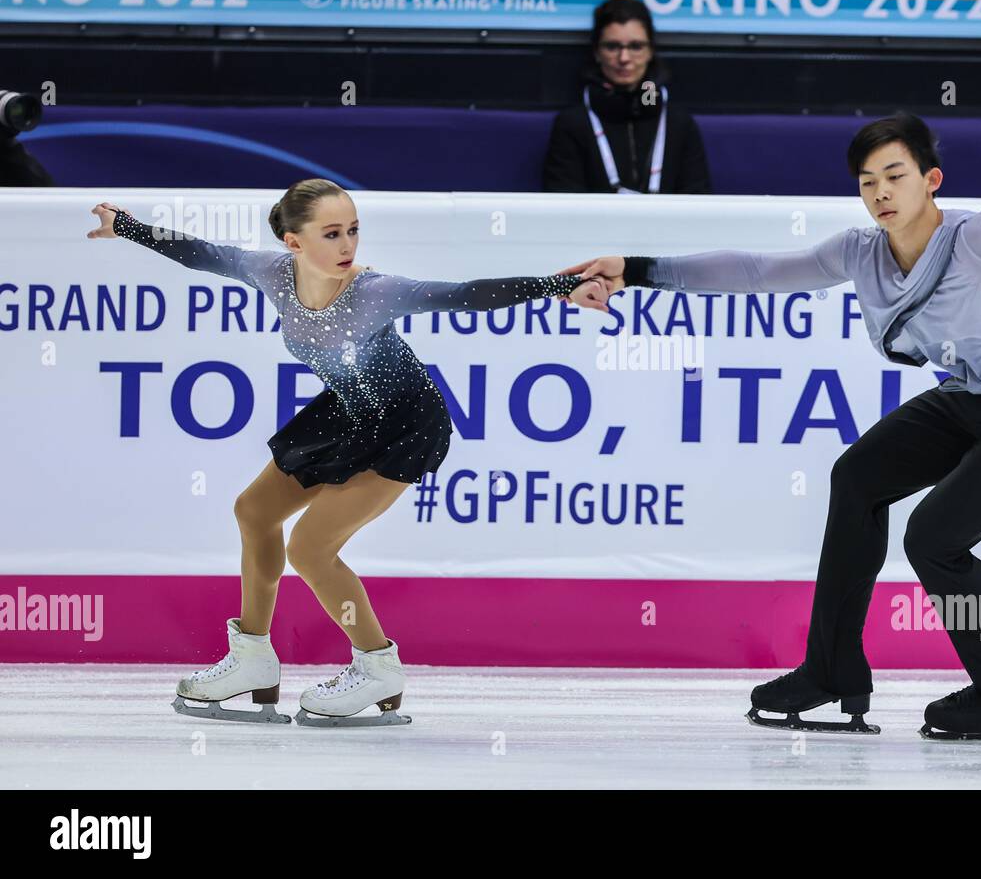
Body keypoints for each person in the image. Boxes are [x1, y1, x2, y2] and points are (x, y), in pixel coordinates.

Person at [557, 111, 981, 739]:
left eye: (896, 175)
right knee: (857, 479)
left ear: (932, 180)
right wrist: (635, 270)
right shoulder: (859, 254)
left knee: (935, 538)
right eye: (868, 182)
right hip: (971, 399)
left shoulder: (977, 237)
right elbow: (757, 272)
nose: (881, 193)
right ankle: (831, 671)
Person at [87, 178, 609, 726]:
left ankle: (378, 666)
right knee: (254, 512)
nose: (347, 246)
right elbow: (204, 255)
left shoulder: (377, 291)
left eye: (353, 231)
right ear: (293, 243)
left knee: (310, 549)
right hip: (348, 413)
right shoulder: (271, 273)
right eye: (332, 233)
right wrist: (126, 226)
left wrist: (556, 286)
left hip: (406, 424)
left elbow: (462, 294)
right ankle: (253, 660)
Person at [542, 0, 711, 194]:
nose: (624, 58)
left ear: (650, 52)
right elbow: (563, 202)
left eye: (636, 47)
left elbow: (697, 201)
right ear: (597, 52)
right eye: (612, 47)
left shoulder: (678, 123)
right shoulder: (573, 123)